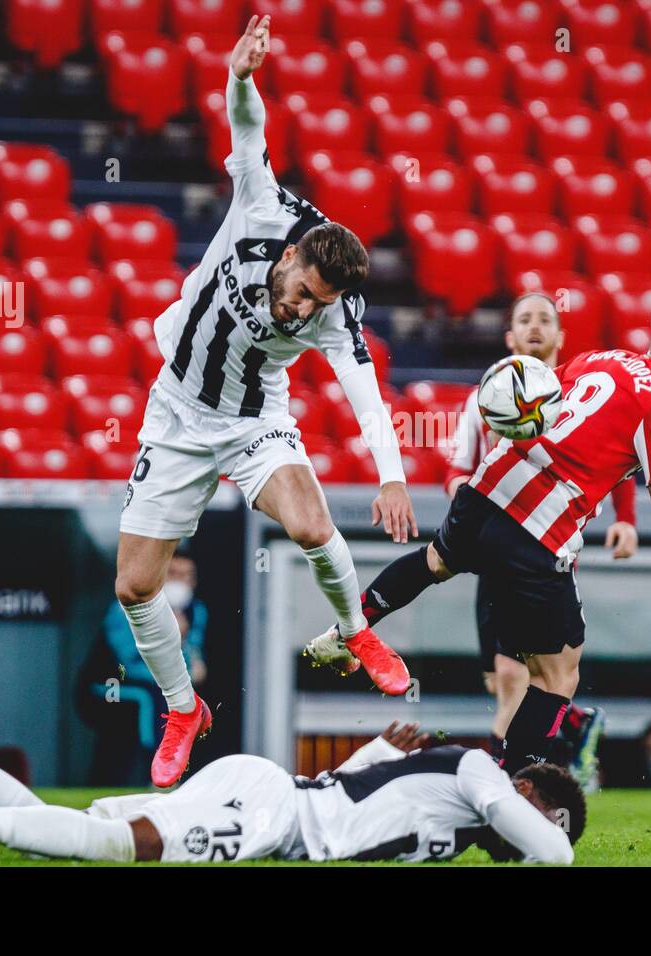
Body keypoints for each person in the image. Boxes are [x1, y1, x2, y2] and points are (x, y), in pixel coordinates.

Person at [308, 285, 651, 774]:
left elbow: (535, 401)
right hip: (538, 531)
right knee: (559, 674)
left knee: (437, 561)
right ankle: (514, 786)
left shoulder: (605, 359)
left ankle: (347, 629)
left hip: (485, 489)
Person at [113, 16, 417, 789]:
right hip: (177, 411)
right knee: (134, 588)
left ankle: (354, 632)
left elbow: (367, 398)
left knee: (314, 523)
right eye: (302, 293)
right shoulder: (261, 211)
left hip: (254, 421)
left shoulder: (333, 312)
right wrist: (241, 77)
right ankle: (185, 710)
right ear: (289, 256)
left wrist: (390, 477)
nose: (300, 311)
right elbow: (248, 131)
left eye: (319, 304)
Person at [0, 694, 582, 865]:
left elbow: (352, 799)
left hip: (280, 799)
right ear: (530, 796)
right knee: (121, 850)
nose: (549, 835)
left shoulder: (464, 800)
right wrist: (560, 841)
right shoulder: (483, 772)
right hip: (270, 810)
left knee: (63, 826)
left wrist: (374, 756)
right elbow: (555, 857)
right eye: (556, 815)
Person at [441, 292, 643, 788]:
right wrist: (473, 501)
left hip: (548, 554)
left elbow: (619, 460)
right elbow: (456, 470)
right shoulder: (483, 398)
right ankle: (563, 740)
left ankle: (511, 785)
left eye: (545, 319)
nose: (535, 326)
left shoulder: (579, 395)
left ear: (561, 336)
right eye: (524, 319)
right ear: (509, 337)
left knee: (522, 679)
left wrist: (626, 518)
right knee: (507, 680)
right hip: (495, 556)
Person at [77, 550, 208, 786]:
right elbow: (129, 663)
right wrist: (170, 641)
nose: (180, 582)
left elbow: (193, 660)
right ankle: (159, 766)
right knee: (154, 692)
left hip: (156, 685)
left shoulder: (196, 611)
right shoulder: (129, 606)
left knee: (177, 694)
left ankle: (182, 770)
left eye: (187, 576)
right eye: (173, 574)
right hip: (105, 686)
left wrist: (185, 646)